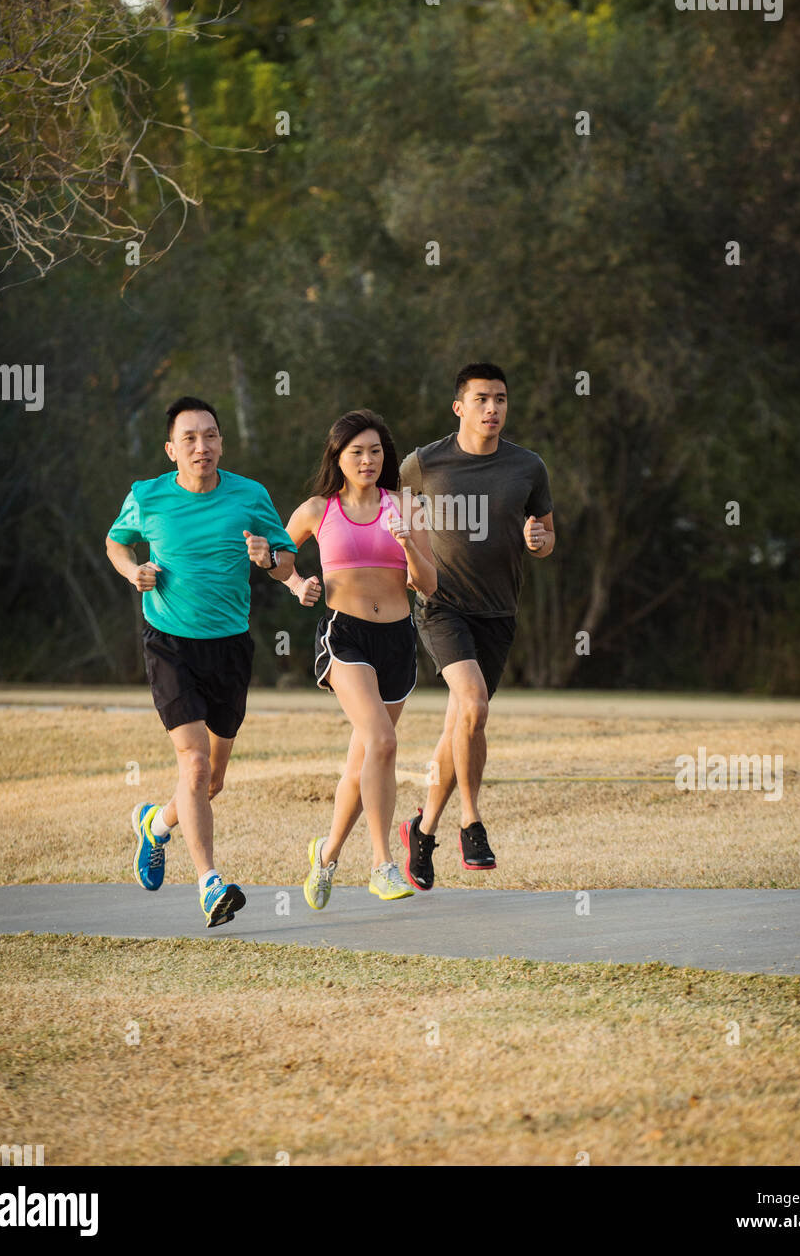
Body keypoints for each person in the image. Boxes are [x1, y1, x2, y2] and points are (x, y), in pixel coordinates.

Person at [106, 395, 297, 927]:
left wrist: (270, 559)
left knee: (210, 780)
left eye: (210, 436)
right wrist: (131, 571)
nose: (201, 446)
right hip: (169, 642)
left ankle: (156, 825)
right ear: (171, 449)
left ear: (221, 443)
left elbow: (286, 564)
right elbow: (115, 542)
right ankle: (209, 883)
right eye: (189, 438)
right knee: (191, 765)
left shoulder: (250, 495)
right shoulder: (147, 497)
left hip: (230, 647)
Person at [398, 363, 555, 890]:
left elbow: (547, 535)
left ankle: (421, 832)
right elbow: (384, 511)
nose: (493, 408)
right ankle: (471, 822)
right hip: (441, 604)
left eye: (501, 399)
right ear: (459, 407)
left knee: (461, 725)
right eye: (482, 399)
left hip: (500, 611)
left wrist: (539, 541)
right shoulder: (423, 464)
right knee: (474, 704)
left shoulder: (528, 467)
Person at [281, 409, 438, 909]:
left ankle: (325, 856)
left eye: (375, 451)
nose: (368, 460)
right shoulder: (317, 510)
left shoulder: (406, 508)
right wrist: (295, 584)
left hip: (397, 639)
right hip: (343, 635)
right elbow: (279, 557)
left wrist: (407, 543)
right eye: (356, 452)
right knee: (382, 741)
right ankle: (381, 865)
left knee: (362, 762)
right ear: (339, 457)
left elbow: (429, 585)